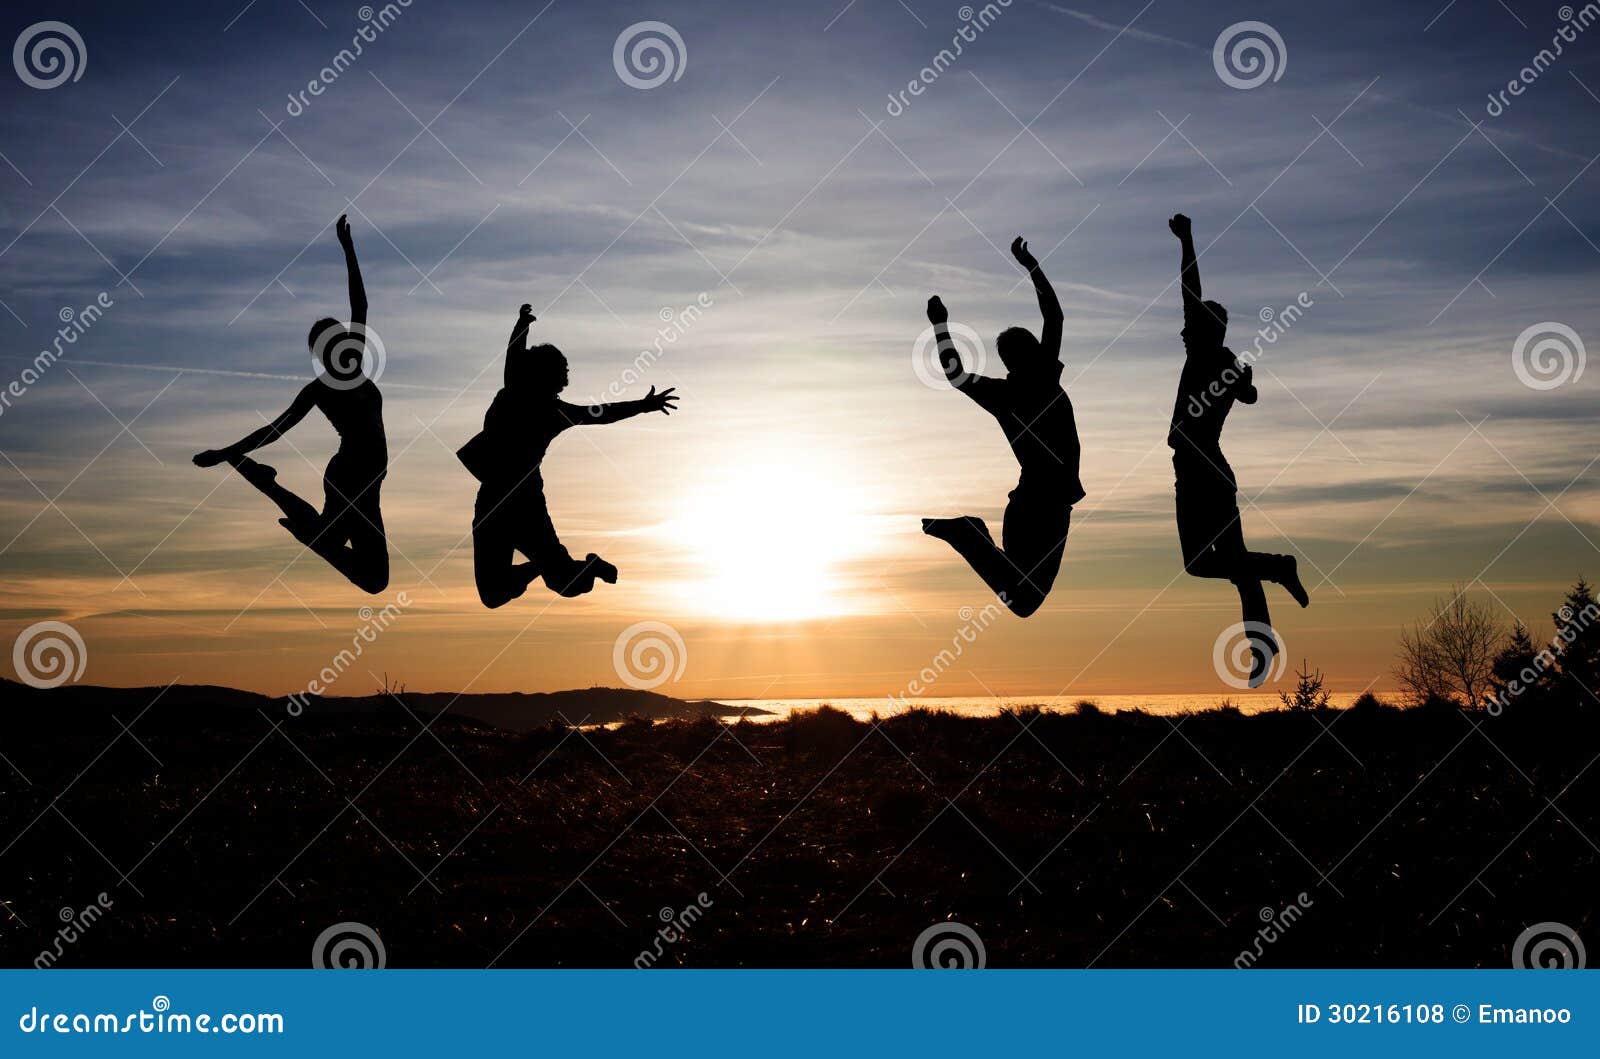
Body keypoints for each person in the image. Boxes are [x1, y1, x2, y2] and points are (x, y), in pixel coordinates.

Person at [193, 214, 390, 594]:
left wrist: (349, 249)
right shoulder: (319, 390)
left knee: (365, 571)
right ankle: (268, 487)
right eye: (330, 346)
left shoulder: (356, 366)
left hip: (368, 483)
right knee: (368, 574)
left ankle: (267, 485)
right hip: (349, 480)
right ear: (323, 354)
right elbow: (275, 429)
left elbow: (360, 305)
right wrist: (223, 451)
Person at [1166, 212, 1308, 686]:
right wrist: (1244, 380)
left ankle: (1277, 573)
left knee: (1200, 563)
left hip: (1198, 467)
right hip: (1213, 469)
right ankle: (1262, 651)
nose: (1185, 332)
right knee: (1237, 567)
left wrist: (1187, 240)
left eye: (1193, 326)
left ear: (1207, 329)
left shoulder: (1206, 353)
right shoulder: (1225, 361)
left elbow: (1189, 290)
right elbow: (1249, 395)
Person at [460, 303, 679, 608]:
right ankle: (546, 566)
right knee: (493, 594)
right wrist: (521, 325)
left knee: (566, 584)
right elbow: (514, 356)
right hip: (493, 501)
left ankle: (588, 567)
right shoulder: (514, 393)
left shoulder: (552, 411)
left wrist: (643, 405)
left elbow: (602, 414)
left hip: (525, 504)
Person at [920, 236, 1083, 618]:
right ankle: (968, 535)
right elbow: (1054, 316)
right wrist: (1030, 265)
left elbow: (955, 375)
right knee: (1025, 601)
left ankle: (970, 536)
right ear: (1034, 355)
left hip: (1028, 503)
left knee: (1022, 596)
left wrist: (941, 326)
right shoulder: (1043, 379)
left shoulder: (1004, 393)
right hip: (1045, 506)